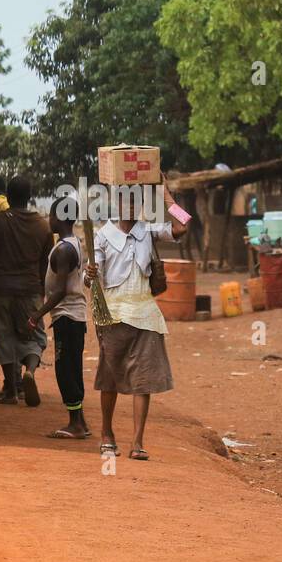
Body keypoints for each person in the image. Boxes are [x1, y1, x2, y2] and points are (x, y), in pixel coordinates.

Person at [84, 184, 188, 461]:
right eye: (125, 200)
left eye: (135, 201)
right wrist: (89, 273)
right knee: (110, 377)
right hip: (112, 314)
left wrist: (166, 196)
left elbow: (182, 227)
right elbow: (91, 278)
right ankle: (107, 434)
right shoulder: (102, 236)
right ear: (116, 203)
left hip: (145, 314)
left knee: (143, 380)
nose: (130, 206)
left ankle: (137, 442)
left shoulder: (149, 231)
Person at [0, 176, 50, 406]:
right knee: (34, 336)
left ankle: (11, 392)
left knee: (3, 336)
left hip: (1, 290)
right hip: (31, 290)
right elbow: (46, 263)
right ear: (29, 197)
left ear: (8, 195)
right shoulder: (42, 226)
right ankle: (30, 372)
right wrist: (42, 292)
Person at [30, 207, 89, 439]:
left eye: (51, 215)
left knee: (65, 369)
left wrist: (37, 315)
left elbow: (60, 291)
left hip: (67, 317)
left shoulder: (64, 250)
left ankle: (75, 423)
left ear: (58, 218)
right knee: (72, 368)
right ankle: (80, 422)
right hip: (72, 317)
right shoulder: (72, 243)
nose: (49, 220)